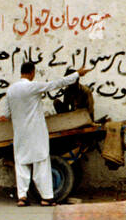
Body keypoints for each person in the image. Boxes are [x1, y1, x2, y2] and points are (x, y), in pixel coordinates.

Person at [6, 60, 90, 206]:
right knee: (41, 162)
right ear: (32, 72)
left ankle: (22, 197)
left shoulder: (11, 90)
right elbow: (56, 84)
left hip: (19, 132)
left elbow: (6, 113)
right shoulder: (33, 86)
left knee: (21, 163)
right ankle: (46, 197)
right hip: (36, 131)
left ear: (21, 72)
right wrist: (77, 74)